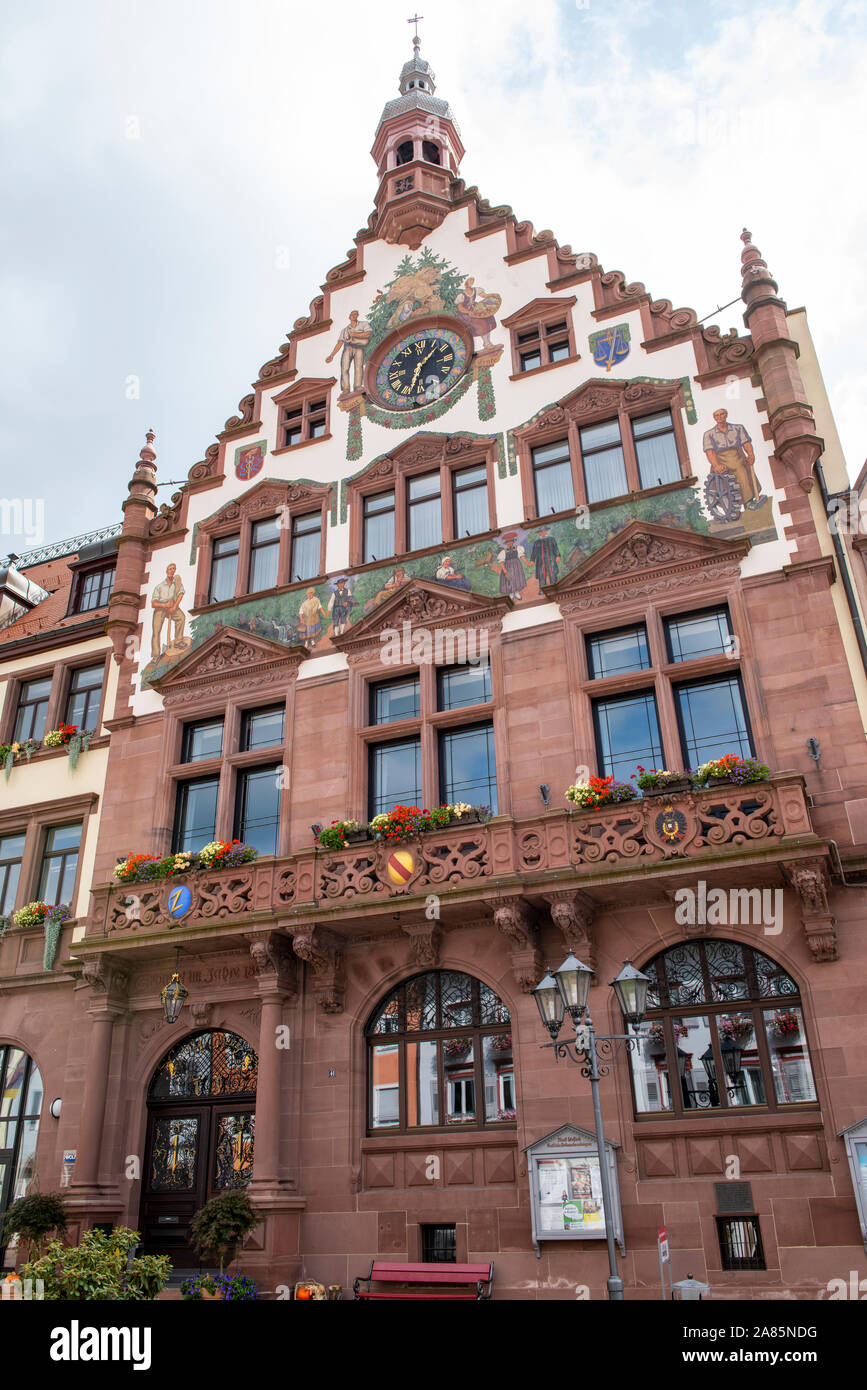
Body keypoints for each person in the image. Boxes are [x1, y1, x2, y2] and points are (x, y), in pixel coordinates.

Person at [702, 408, 766, 511]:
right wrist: (716, 465)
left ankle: (748, 501)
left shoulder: (738, 428)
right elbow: (710, 452)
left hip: (737, 455)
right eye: (717, 415)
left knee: (741, 471)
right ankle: (730, 508)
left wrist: (751, 455)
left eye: (722, 414)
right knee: (722, 482)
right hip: (720, 459)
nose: (720, 417)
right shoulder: (709, 434)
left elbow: (746, 443)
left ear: (726, 415)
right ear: (714, 418)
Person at [326, 310, 372, 394]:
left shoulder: (363, 324)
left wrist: (355, 335)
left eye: (355, 314)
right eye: (352, 315)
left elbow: (368, 334)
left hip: (359, 348)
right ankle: (345, 389)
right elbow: (340, 343)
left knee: (359, 367)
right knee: (345, 368)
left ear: (358, 315)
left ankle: (358, 386)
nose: (354, 316)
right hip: (348, 348)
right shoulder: (345, 330)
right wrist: (332, 355)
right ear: (349, 317)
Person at [151, 563, 186, 658]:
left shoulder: (177, 583)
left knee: (181, 617)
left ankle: (178, 641)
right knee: (156, 631)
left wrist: (174, 607)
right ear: (167, 571)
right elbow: (153, 603)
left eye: (174, 569)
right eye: (170, 569)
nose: (172, 570)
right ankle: (155, 655)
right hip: (160, 608)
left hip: (172, 606)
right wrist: (165, 605)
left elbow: (181, 594)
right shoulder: (160, 586)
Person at [455, 276, 501, 348]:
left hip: (475, 308)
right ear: (466, 283)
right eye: (470, 281)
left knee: (488, 319)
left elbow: (484, 295)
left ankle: (488, 342)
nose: (471, 283)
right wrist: (468, 312)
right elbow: (460, 308)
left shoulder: (475, 290)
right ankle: (486, 343)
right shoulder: (462, 295)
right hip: (466, 313)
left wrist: (492, 295)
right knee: (481, 323)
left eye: (472, 282)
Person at [496, 532, 527, 600]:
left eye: (511, 541)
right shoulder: (504, 551)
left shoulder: (517, 548)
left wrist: (527, 563)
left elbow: (521, 556)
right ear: (506, 543)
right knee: (509, 579)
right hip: (508, 566)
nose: (509, 543)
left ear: (513, 541)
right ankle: (511, 593)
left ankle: (516, 592)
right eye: (507, 542)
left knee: (516, 579)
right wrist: (505, 570)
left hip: (516, 566)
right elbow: (501, 561)